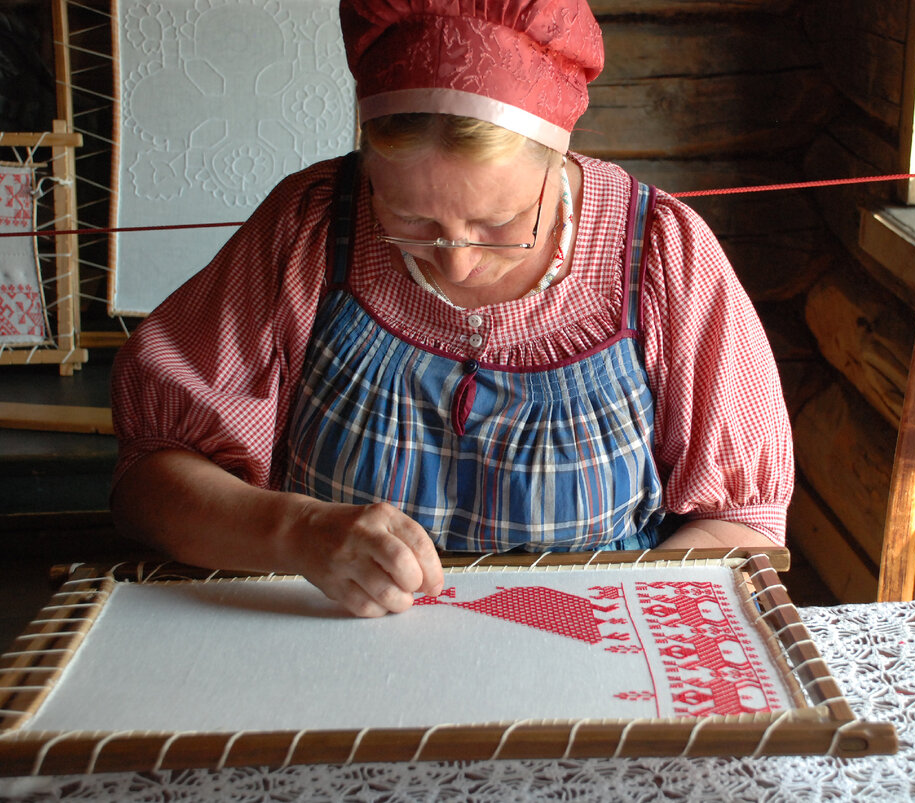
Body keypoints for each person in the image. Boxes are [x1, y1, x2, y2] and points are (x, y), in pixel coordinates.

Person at [109, 0, 794, 617]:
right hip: (333, 658)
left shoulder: (661, 254)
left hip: (590, 673)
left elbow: (744, 522)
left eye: (500, 222)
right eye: (408, 218)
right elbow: (150, 479)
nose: (456, 261)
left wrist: (609, 629)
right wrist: (298, 532)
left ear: (556, 162)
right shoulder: (313, 228)